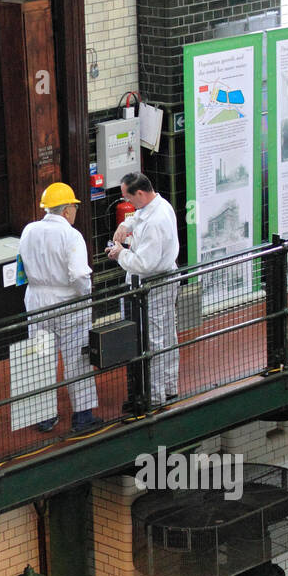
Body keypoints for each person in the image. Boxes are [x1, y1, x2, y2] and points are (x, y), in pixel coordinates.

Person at [18, 181, 100, 433]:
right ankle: (82, 415)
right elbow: (78, 275)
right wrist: (86, 294)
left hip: (36, 301)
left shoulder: (29, 230)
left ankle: (43, 416)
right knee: (77, 357)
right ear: (66, 211)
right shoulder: (71, 235)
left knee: (40, 358)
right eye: (74, 207)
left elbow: (21, 267)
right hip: (68, 304)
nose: (75, 211)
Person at [106, 171, 180, 407]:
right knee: (167, 334)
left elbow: (144, 264)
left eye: (128, 198)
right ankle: (169, 387)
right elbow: (141, 215)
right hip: (167, 277)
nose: (128, 203)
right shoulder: (160, 206)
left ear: (139, 193)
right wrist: (126, 224)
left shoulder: (155, 221)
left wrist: (120, 254)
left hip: (152, 284)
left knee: (153, 340)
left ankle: (154, 397)